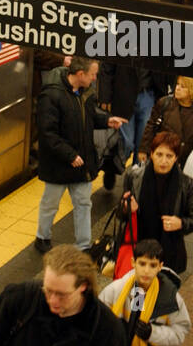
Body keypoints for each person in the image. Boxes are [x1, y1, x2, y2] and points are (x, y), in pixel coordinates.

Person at [33, 56, 126, 253]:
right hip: (59, 163)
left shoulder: (85, 93)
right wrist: (69, 155)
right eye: (92, 74)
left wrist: (107, 121)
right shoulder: (51, 96)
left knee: (84, 203)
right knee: (50, 203)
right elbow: (47, 133)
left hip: (82, 161)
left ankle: (83, 244)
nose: (94, 78)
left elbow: (90, 116)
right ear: (80, 74)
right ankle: (42, 237)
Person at [119, 131, 193, 274]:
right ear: (151, 154)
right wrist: (127, 209)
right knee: (139, 293)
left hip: (170, 255)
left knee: (166, 294)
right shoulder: (134, 177)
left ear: (176, 158)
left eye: (169, 156)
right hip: (139, 252)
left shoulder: (187, 184)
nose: (164, 161)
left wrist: (180, 223)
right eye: (159, 154)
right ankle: (139, 297)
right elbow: (121, 215)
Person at [98, 63, 167, 179]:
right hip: (123, 94)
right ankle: (112, 167)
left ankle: (135, 180)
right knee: (126, 142)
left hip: (148, 94)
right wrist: (105, 97)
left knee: (143, 144)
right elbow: (107, 66)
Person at [138, 76, 193, 168]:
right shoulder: (164, 103)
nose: (177, 88)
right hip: (164, 158)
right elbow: (150, 127)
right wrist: (143, 150)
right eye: (177, 84)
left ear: (192, 90)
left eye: (182, 86)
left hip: (189, 162)